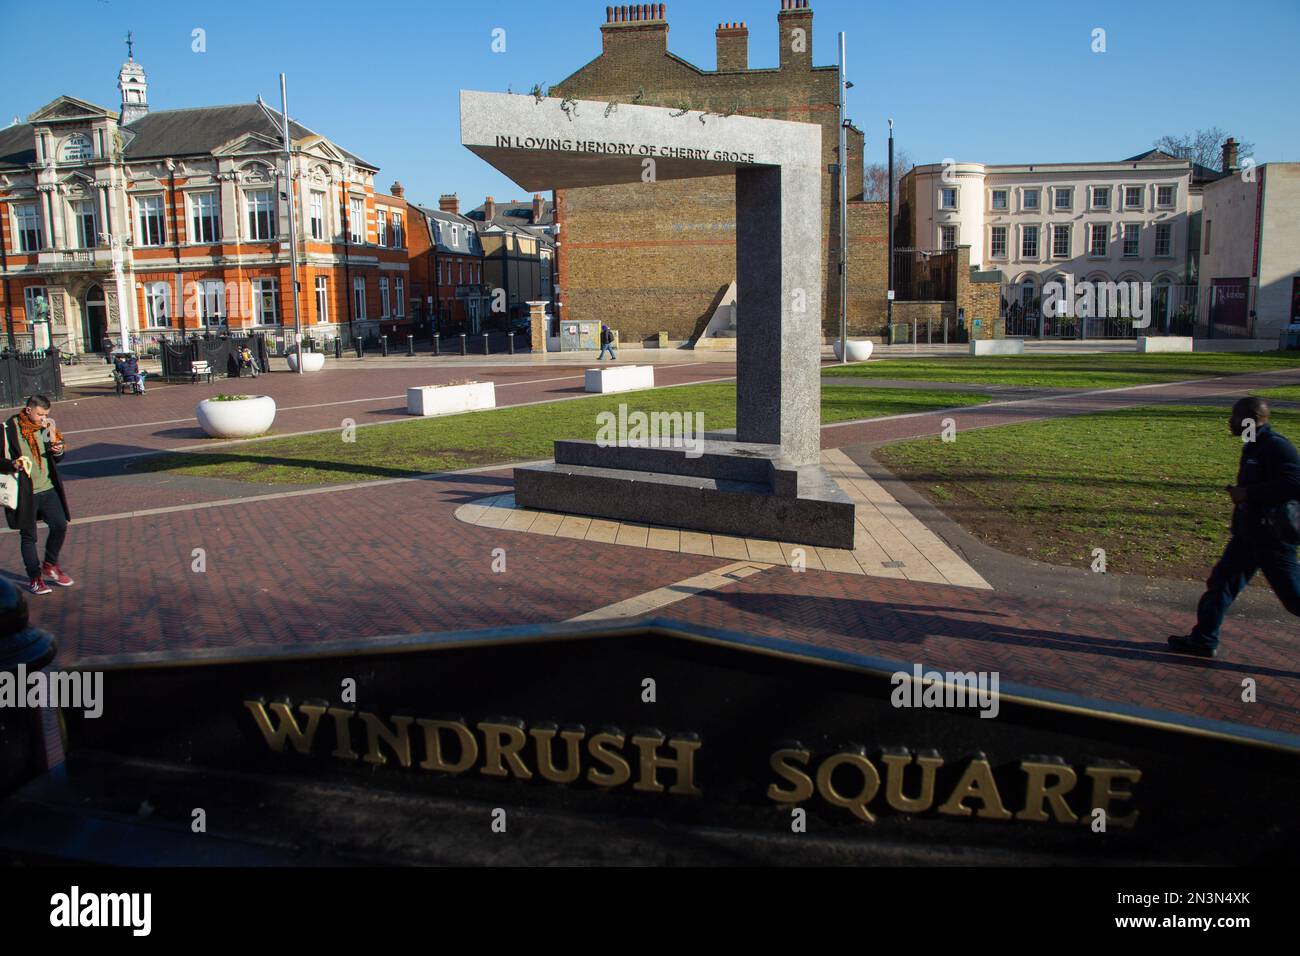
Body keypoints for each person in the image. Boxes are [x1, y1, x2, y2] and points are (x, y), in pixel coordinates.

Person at [1169, 397, 1300, 658]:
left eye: (1235, 416)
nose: (1230, 421)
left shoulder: (1276, 446)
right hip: (1248, 535)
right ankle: (1203, 639)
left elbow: (1294, 483)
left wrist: (1248, 493)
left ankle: (1203, 638)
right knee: (1220, 584)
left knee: (1294, 598)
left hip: (1272, 539)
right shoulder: (1253, 445)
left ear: (1251, 418)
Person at [1, 395, 73, 595]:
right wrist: (13, 464)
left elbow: (56, 455)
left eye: (46, 415)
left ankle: (50, 564)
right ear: (28, 410)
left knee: (60, 524)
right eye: (40, 414)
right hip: (25, 492)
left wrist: (58, 451)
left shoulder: (45, 427)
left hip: (48, 487)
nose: (43, 419)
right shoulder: (7, 430)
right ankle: (35, 578)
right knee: (28, 535)